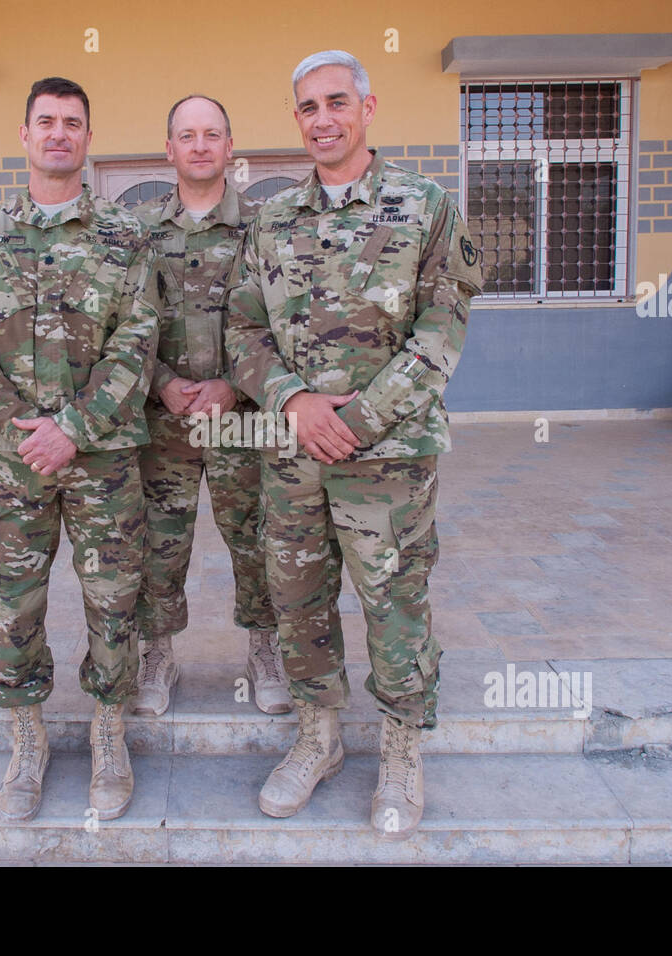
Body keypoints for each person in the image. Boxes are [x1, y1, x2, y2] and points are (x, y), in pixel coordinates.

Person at [225, 50, 483, 839]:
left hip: (389, 463)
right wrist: (295, 402)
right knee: (298, 604)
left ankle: (402, 750)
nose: (322, 119)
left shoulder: (426, 206)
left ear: (368, 108)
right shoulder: (270, 220)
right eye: (307, 107)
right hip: (293, 458)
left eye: (337, 101)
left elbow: (444, 330)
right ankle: (319, 740)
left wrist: (359, 420)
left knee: (395, 605)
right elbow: (242, 332)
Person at [0, 76, 159, 823]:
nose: (60, 133)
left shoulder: (126, 239)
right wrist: (23, 435)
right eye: (47, 121)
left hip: (103, 463)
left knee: (113, 602)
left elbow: (137, 344)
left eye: (73, 122)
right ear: (25, 135)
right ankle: (27, 738)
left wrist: (74, 427)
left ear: (88, 137)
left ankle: (108, 732)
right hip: (14, 469)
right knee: (16, 604)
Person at [129, 94, 288, 718]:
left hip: (243, 419)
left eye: (212, 134)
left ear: (230, 148)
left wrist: (235, 385)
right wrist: (163, 382)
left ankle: (265, 648)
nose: (200, 145)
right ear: (168, 149)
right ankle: (158, 654)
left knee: (257, 536)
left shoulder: (266, 227)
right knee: (157, 541)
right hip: (161, 420)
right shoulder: (137, 231)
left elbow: (283, 321)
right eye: (187, 135)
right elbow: (122, 325)